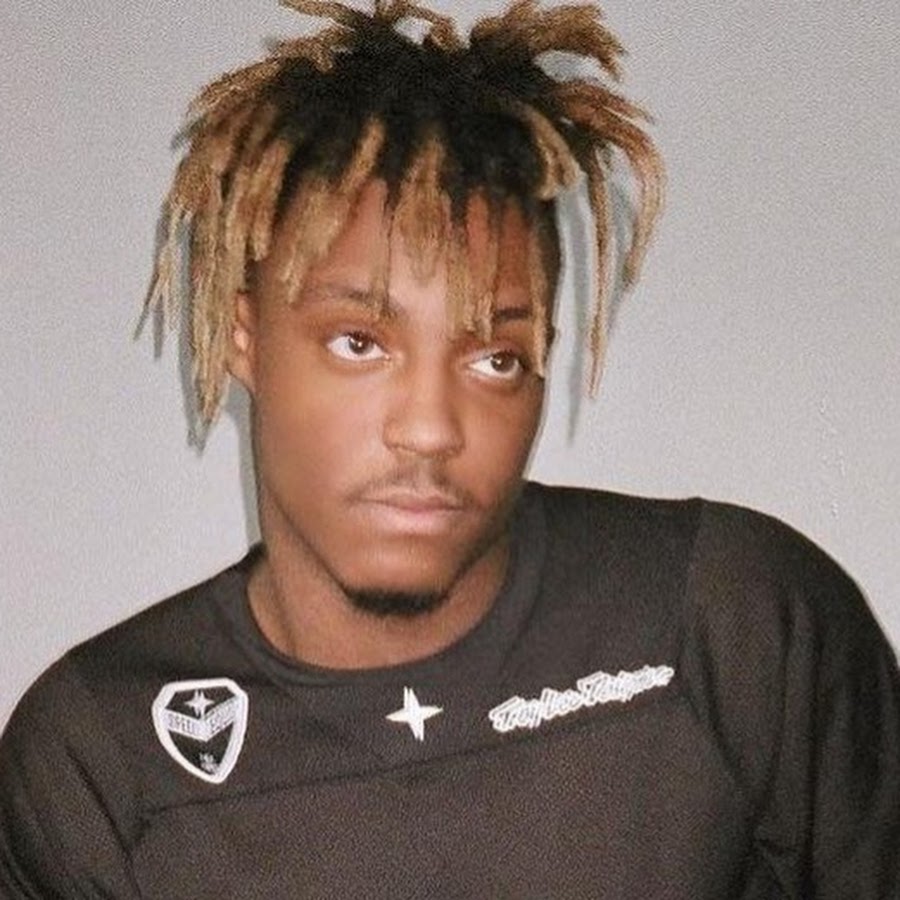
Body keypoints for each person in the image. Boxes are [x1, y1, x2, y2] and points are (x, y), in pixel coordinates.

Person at [1, 0, 897, 896]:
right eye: (360, 342)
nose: (431, 428)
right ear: (244, 340)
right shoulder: (100, 765)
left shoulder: (733, 625)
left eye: (495, 357)